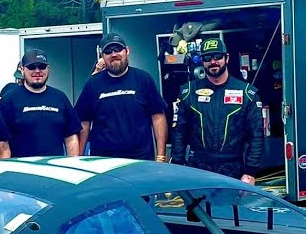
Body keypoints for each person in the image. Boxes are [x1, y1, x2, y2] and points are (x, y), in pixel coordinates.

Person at [170, 38, 264, 184]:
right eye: (207, 58)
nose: (213, 62)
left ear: (227, 58)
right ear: (202, 61)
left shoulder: (246, 92)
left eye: (217, 57)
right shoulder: (188, 92)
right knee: (197, 207)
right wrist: (177, 165)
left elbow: (257, 135)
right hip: (197, 167)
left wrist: (251, 172)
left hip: (233, 168)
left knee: (230, 207)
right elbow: (179, 132)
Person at [74, 32, 168, 161]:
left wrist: (161, 155)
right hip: (103, 161)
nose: (114, 54)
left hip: (140, 160)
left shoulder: (143, 79)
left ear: (127, 51)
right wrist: (78, 158)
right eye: (108, 51)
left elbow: (158, 117)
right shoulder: (92, 84)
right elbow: (84, 122)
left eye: (118, 49)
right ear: (102, 56)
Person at [0, 48, 81, 157]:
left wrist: (72, 165)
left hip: (54, 170)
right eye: (31, 67)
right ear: (22, 70)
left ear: (48, 69)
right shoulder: (9, 99)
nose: (37, 71)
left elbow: (71, 137)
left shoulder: (60, 97)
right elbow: (2, 141)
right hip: (20, 170)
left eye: (41, 67)